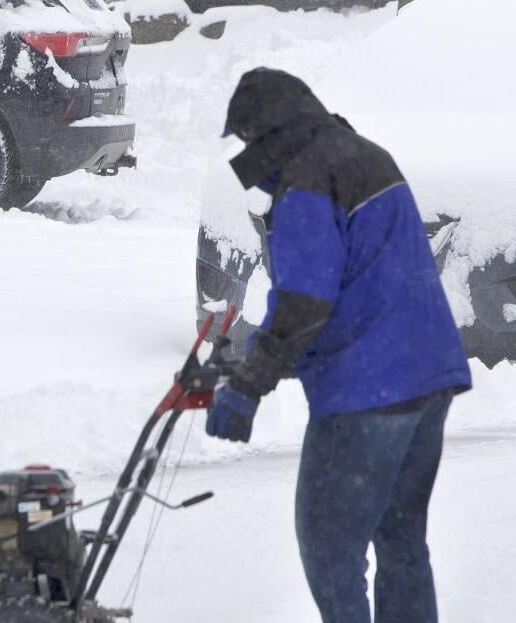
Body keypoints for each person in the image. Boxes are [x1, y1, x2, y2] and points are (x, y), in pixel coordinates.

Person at [204, 67, 472, 623]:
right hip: (429, 378)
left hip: (368, 392)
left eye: (252, 139)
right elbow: (357, 280)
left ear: (270, 131)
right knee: (401, 542)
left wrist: (250, 385)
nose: (252, 153)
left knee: (329, 548)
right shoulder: (367, 155)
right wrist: (262, 358)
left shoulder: (305, 179)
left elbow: (305, 300)